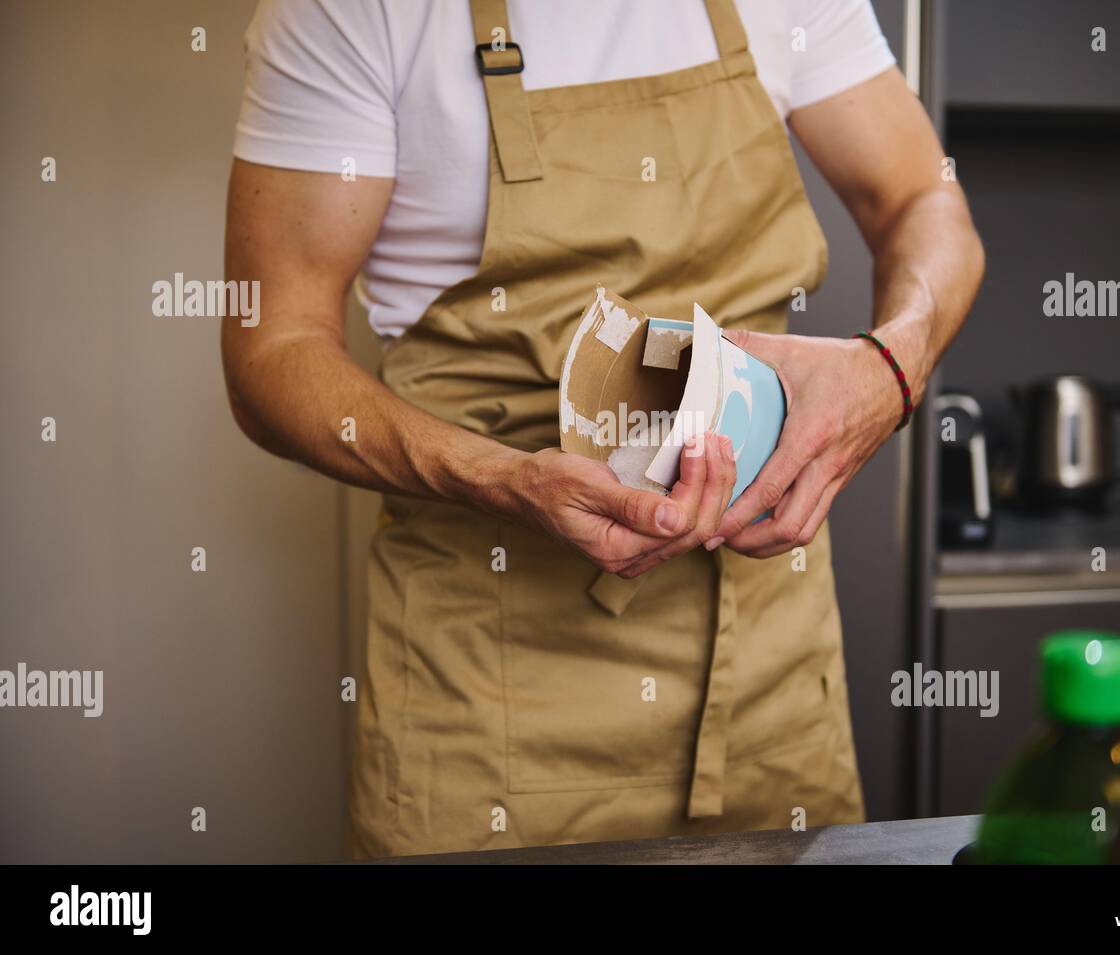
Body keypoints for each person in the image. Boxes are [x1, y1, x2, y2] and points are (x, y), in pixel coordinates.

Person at [222, 0, 984, 858]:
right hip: (490, 690)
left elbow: (925, 194)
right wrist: (502, 478)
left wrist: (893, 364)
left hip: (770, 669)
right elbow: (272, 346)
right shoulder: (351, 11)